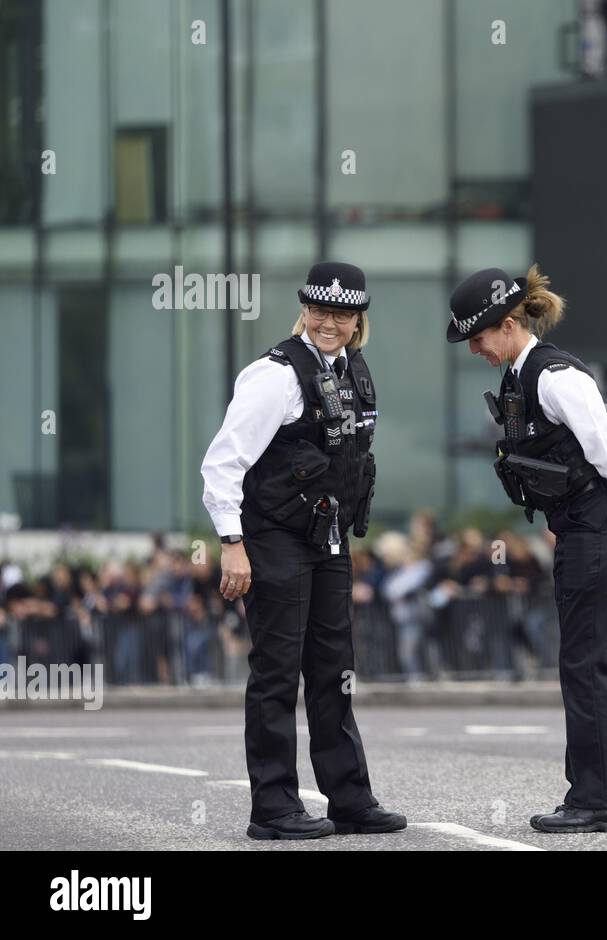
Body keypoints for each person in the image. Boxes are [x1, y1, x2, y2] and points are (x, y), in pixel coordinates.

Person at [446, 263, 607, 834]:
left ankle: (599, 802)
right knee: (581, 663)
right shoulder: (522, 377)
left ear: (508, 323)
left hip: (600, 527)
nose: (475, 350)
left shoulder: (554, 376)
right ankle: (592, 794)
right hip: (581, 528)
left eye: (478, 337)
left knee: (585, 664)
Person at [201, 261, 404, 840]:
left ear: (357, 318)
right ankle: (272, 808)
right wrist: (232, 544)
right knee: (276, 673)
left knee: (334, 671)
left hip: (328, 539)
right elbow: (222, 463)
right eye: (319, 310)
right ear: (305, 310)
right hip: (273, 540)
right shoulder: (275, 375)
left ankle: (350, 799)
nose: (328, 322)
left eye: (340, 313)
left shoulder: (352, 371)